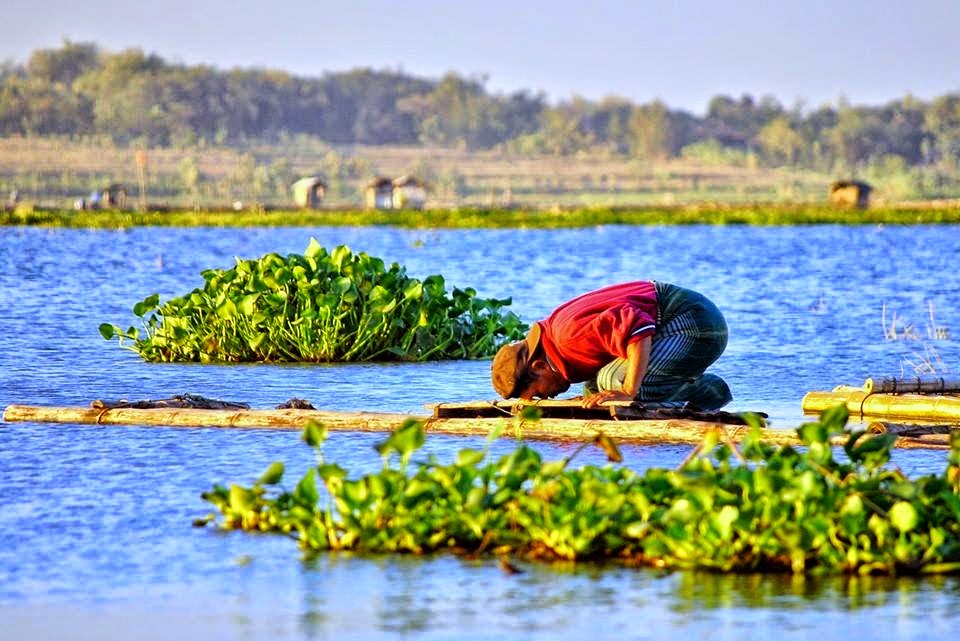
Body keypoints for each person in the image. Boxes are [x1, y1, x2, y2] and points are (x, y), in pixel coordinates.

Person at [491, 280, 731, 410]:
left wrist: (628, 391)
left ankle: (710, 392)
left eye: (540, 394)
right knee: (598, 388)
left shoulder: (569, 336)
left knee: (621, 385)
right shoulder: (558, 344)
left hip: (695, 321)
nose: (550, 397)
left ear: (540, 366)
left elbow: (638, 328)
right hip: (673, 325)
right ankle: (678, 386)